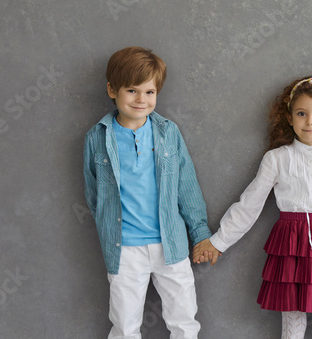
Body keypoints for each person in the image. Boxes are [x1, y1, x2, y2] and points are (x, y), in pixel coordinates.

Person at [191, 76, 312, 339]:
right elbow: (250, 203)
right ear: (289, 117)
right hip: (289, 244)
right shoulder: (276, 158)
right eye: (301, 113)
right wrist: (218, 242)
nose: (310, 121)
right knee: (292, 319)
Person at [83, 46, 211, 339]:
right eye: (132, 91)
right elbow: (94, 196)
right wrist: (108, 226)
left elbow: (186, 186)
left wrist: (200, 232)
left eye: (150, 92)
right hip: (124, 247)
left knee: (183, 321)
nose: (142, 100)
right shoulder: (97, 138)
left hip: (171, 243)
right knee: (125, 325)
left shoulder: (168, 133)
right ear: (112, 90)